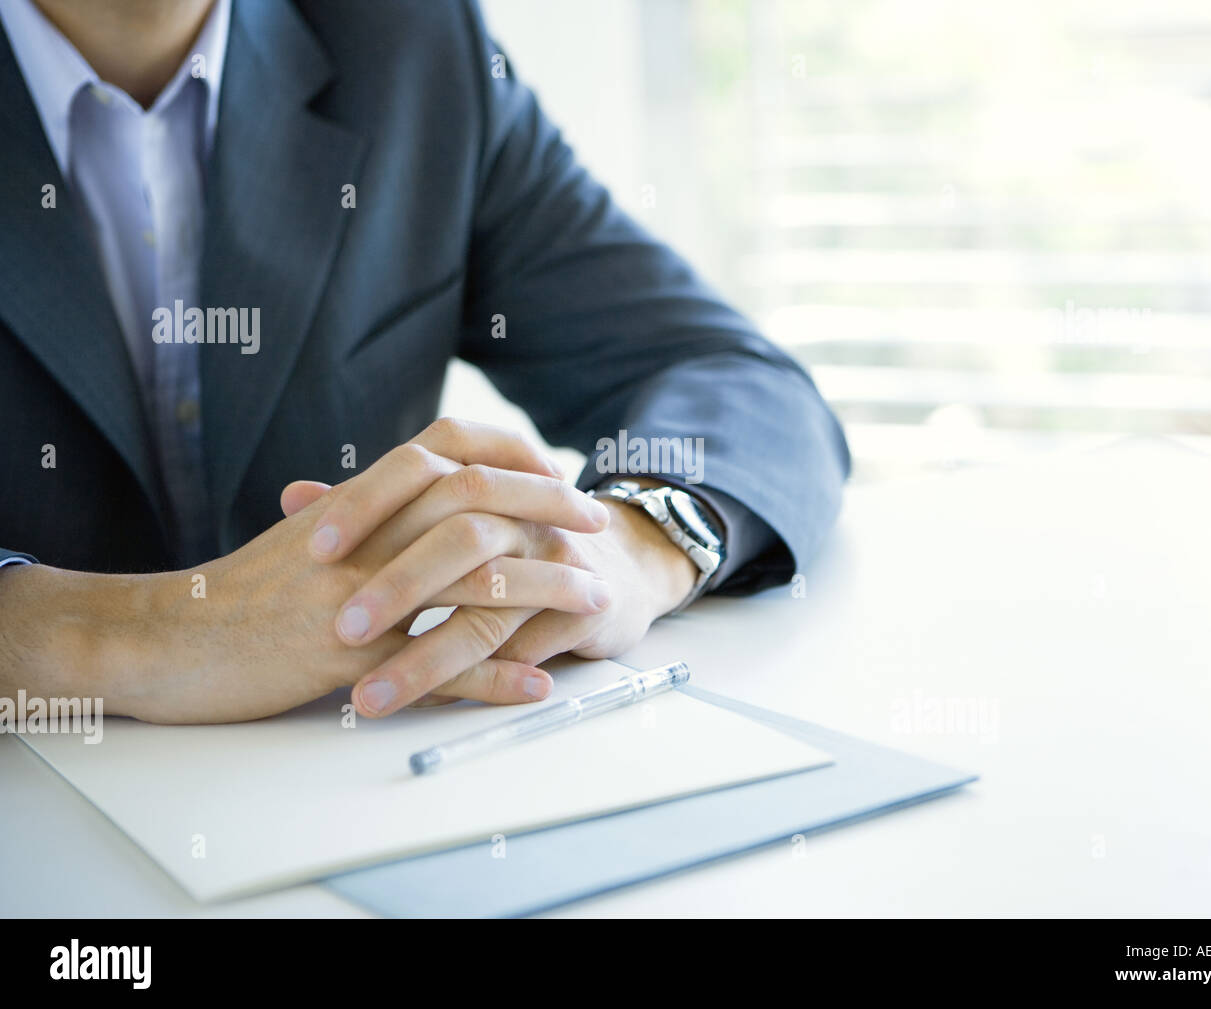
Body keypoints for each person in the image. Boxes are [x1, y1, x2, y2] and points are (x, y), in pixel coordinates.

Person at [0, 0, 848, 723]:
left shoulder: (410, 42)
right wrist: (132, 634)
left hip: (356, 785)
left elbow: (739, 381)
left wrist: (632, 539)